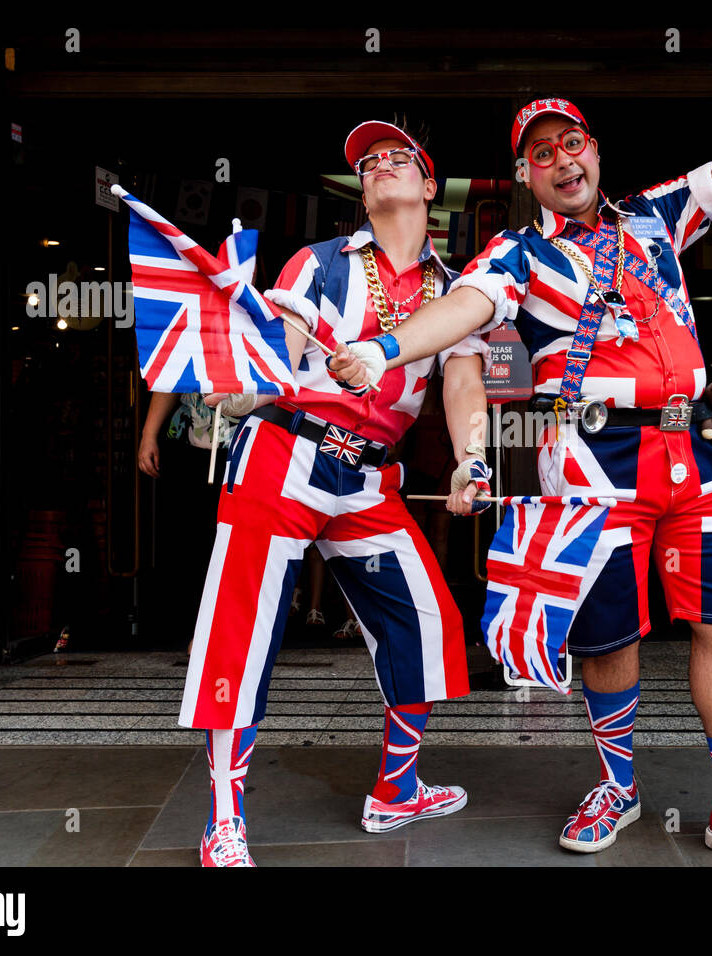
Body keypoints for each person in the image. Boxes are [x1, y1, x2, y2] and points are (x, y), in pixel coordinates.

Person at [328, 43, 712, 858]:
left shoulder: (657, 215)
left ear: (595, 151)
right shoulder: (517, 255)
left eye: (573, 143)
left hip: (695, 450)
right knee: (607, 635)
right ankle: (618, 787)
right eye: (542, 152)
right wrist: (385, 351)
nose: (563, 159)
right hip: (595, 460)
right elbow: (461, 310)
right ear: (526, 176)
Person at [179, 119, 493, 866]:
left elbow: (462, 382)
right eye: (369, 162)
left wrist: (472, 460)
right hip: (284, 453)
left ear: (426, 187)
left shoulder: (456, 292)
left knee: (425, 621)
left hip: (368, 475)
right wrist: (238, 391)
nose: (381, 165)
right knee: (243, 629)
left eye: (399, 157)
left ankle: (396, 790)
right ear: (363, 191)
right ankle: (224, 819)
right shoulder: (318, 262)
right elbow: (279, 354)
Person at [137, 392, 240, 655]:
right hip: (193, 443)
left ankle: (233, 629)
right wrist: (149, 434)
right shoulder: (188, 349)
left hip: (248, 444)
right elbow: (170, 382)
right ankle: (201, 629)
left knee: (238, 543)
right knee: (195, 540)